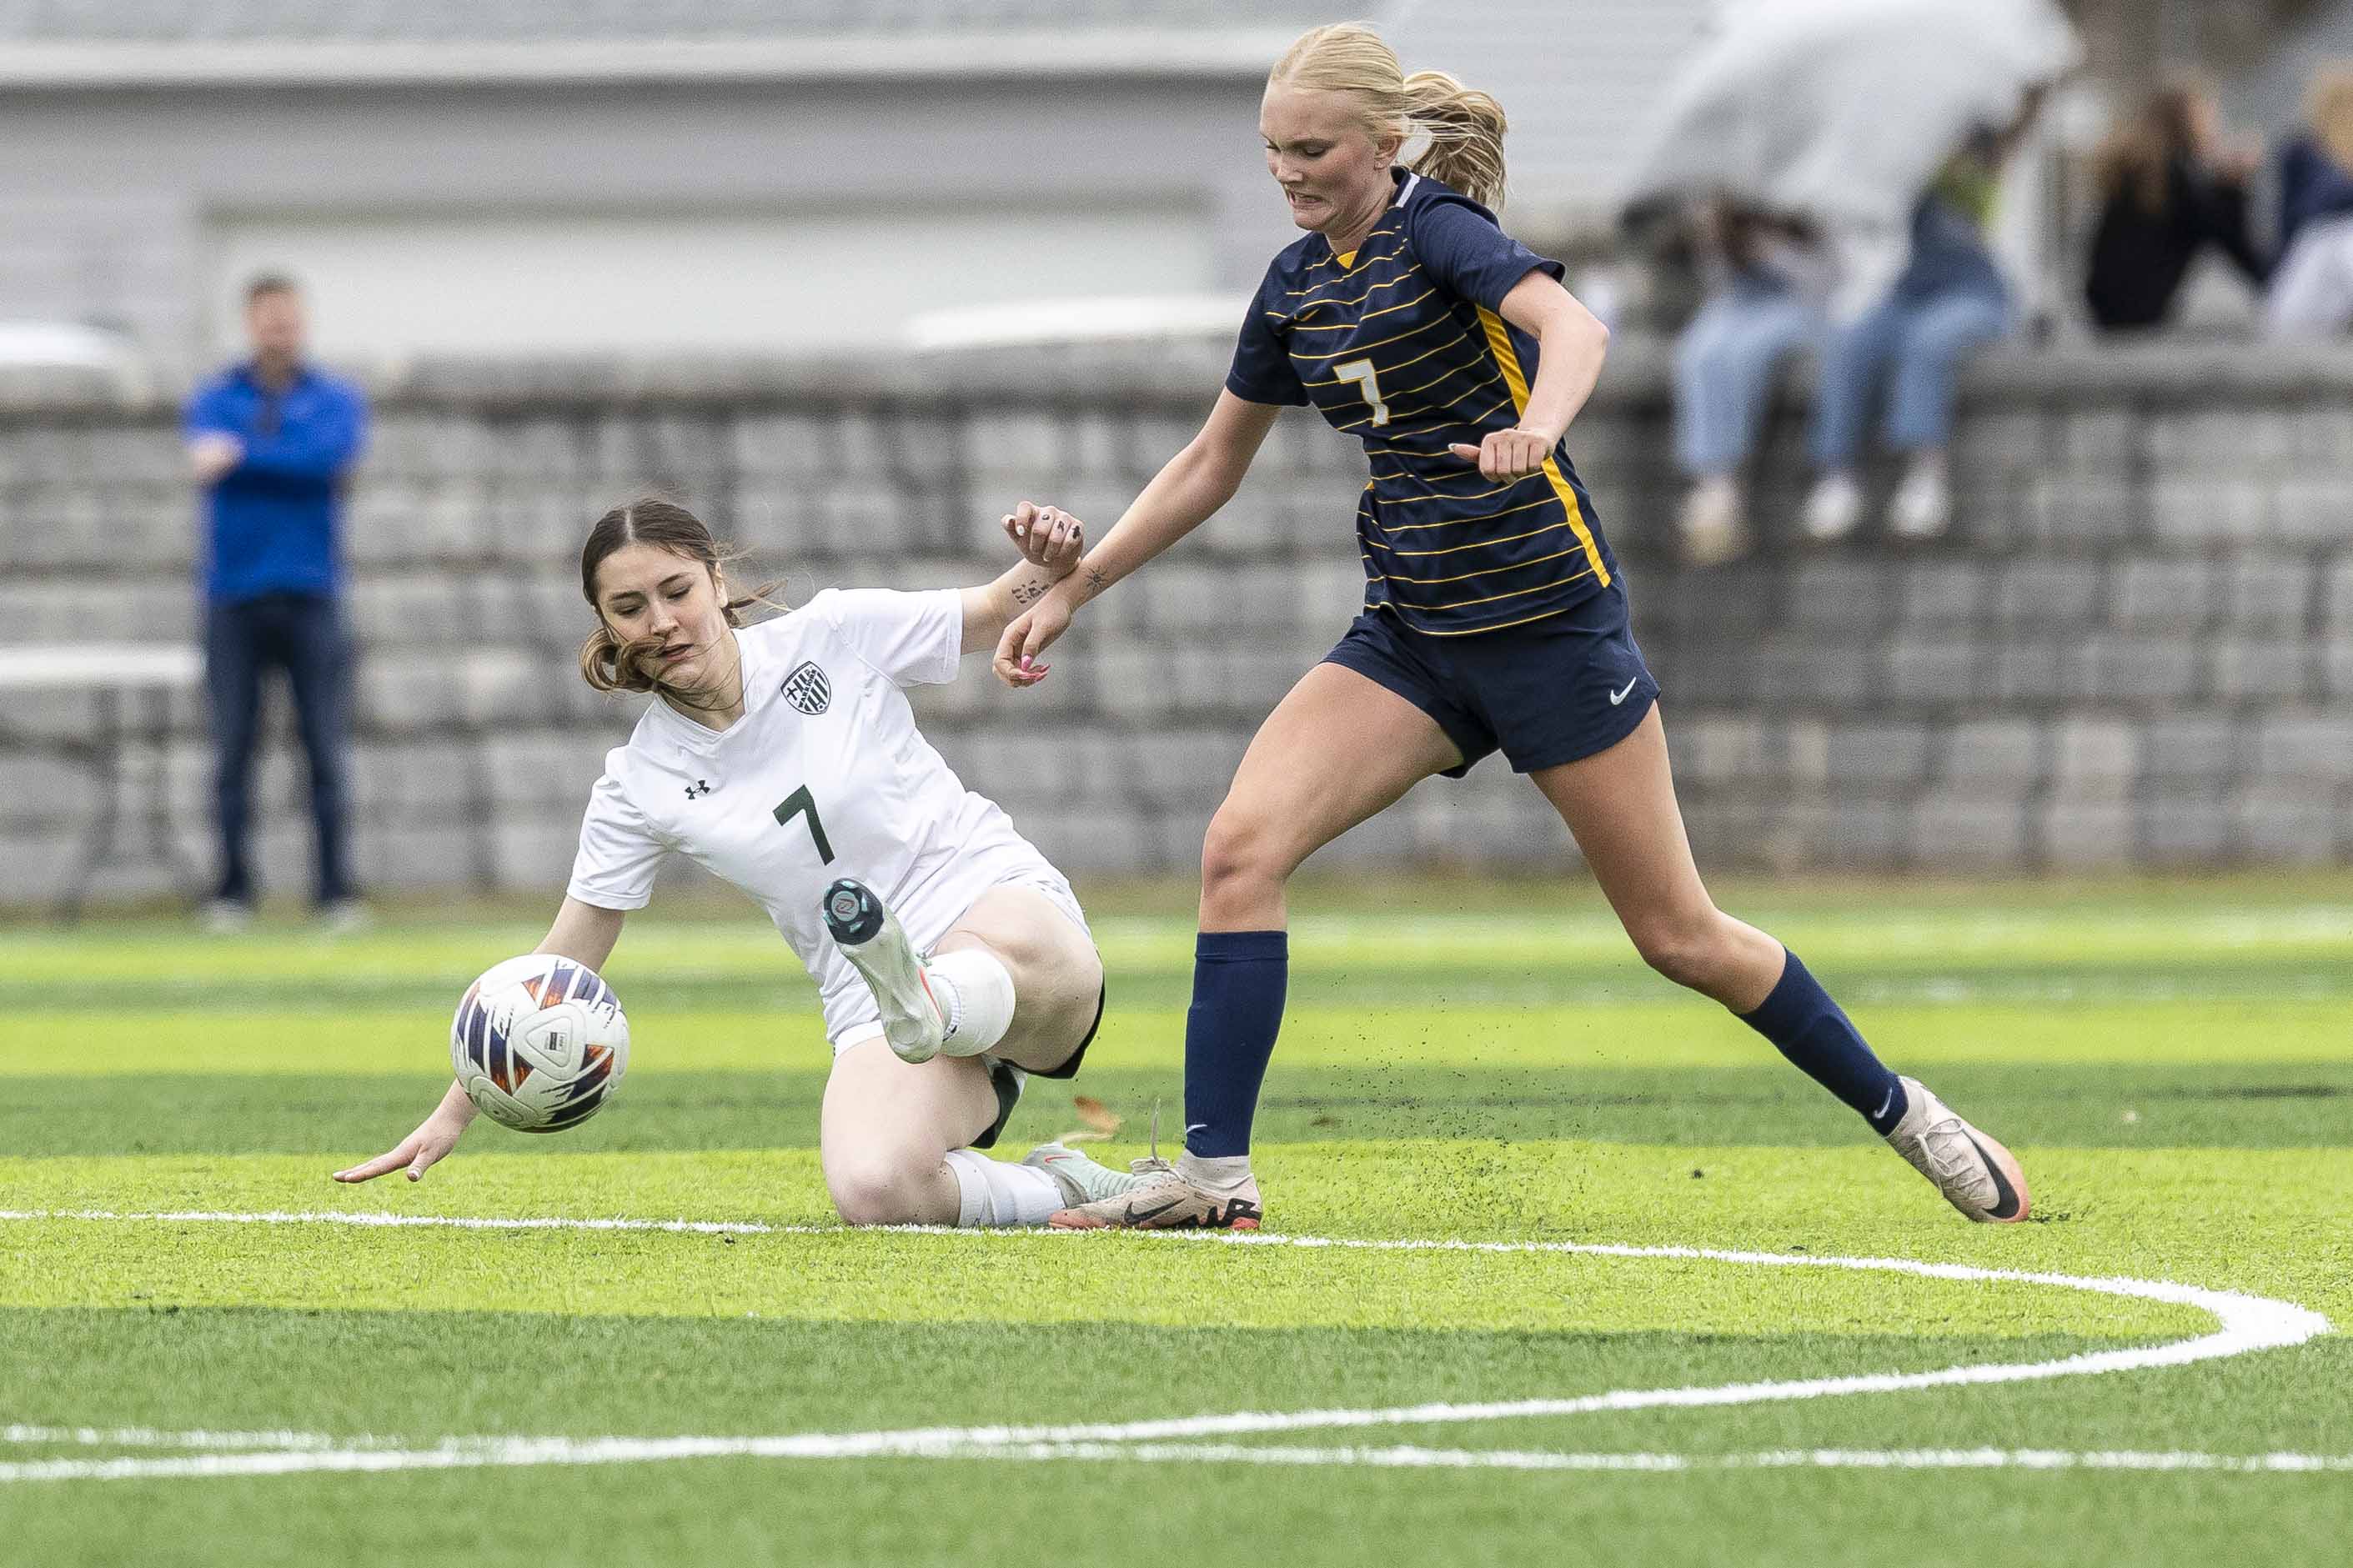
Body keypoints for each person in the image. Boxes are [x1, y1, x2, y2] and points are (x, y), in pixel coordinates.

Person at [992, 23, 2029, 1232]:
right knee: (1238, 850)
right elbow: (1209, 464)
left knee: (1679, 936)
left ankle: (1908, 1114)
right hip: (1410, 638)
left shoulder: (1435, 227)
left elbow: (1576, 331)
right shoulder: (1293, 285)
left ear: (1383, 146)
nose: (1288, 172)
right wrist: (1078, 583)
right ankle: (1214, 1184)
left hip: (1547, 629)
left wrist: (1536, 425)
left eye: (1312, 149)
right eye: (1272, 151)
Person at [334, 498, 1148, 1229]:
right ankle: (1072, 1189)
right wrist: (459, 1105)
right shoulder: (637, 784)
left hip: (1001, 917)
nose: (659, 621)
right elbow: (564, 955)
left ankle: (933, 995)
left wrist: (1042, 563)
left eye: (676, 591)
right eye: (629, 607)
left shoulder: (831, 634)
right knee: (872, 1189)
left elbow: (995, 609)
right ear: (606, 625)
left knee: (1012, 960)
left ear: (716, 581)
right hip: (876, 1007)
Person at [183, 274, 371, 931]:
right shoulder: (215, 396)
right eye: (267, 320)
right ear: (249, 324)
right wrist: (281, 460)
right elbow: (211, 458)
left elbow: (327, 460)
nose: (278, 331)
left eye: (288, 319)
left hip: (311, 594)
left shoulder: (334, 398)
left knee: (325, 749)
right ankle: (232, 891)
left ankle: (335, 892)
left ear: (302, 324)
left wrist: (242, 457)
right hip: (233, 597)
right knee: (232, 753)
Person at [1802, 125, 2021, 544]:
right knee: (1852, 343)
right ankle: (1837, 472)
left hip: (1972, 291)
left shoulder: (1986, 160)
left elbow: (2011, 138)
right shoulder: (1904, 166)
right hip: (1913, 288)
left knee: (1927, 344)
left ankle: (1925, 472)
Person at [1671, 200, 1831, 565]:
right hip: (1736, 305)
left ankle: (1728, 480)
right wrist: (1713, 239)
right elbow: (1718, 286)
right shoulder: (1725, 203)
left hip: (1796, 306)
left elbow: (1827, 279)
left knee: (1745, 357)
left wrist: (1772, 251)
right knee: (1699, 353)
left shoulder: (1812, 197)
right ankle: (1706, 477)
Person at [2084, 77, 2268, 331]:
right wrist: (2233, 184)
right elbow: (2234, 244)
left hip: (2111, 310)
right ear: (2186, 120)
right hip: (2135, 316)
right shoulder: (2175, 178)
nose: (2214, 127)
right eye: (2208, 115)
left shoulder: (2146, 171)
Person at [2266, 69, 2353, 338]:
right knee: (2341, 239)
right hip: (2300, 286)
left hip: (2334, 303)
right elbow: (2311, 212)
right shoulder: (2303, 152)